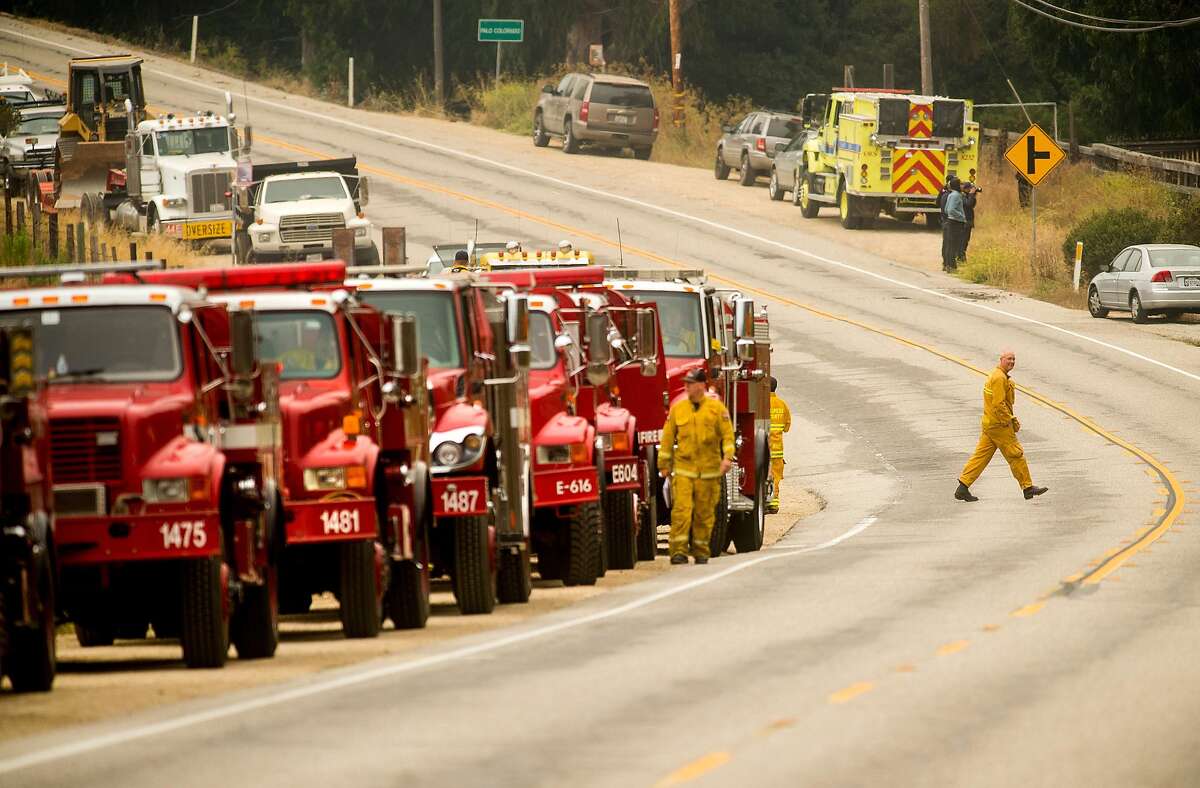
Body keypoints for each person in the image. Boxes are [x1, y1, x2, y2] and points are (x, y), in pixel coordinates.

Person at [658, 368, 735, 564]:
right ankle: (678, 552)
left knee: (704, 513)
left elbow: (727, 436)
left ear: (701, 385)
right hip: (684, 470)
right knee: (682, 511)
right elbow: (667, 439)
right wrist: (664, 465)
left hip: (709, 472)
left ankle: (701, 550)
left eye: (690, 384)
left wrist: (727, 458)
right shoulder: (678, 409)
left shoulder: (717, 409)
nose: (686, 387)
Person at [955, 349, 1048, 502]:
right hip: (1000, 425)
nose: (1011, 362)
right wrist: (1010, 420)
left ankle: (962, 487)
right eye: (1009, 359)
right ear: (1001, 360)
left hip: (989, 424)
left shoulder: (998, 376)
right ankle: (1027, 487)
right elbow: (999, 404)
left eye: (1014, 359)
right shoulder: (999, 378)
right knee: (1016, 455)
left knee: (980, 457)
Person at [767, 376, 791, 514]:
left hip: (763, 448)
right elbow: (787, 427)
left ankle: (767, 500)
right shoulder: (782, 404)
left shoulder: (760, 403)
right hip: (777, 450)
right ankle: (774, 504)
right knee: (775, 476)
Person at [941, 176, 966, 272]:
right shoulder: (956, 195)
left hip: (951, 221)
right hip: (955, 222)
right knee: (954, 245)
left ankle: (948, 264)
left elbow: (946, 209)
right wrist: (961, 216)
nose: (962, 185)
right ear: (956, 185)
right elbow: (951, 210)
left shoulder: (951, 194)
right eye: (960, 184)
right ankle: (952, 266)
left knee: (950, 244)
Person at [960, 181, 979, 262]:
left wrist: (973, 195)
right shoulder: (962, 195)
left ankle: (962, 256)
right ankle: (961, 257)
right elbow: (968, 204)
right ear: (966, 189)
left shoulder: (967, 195)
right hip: (965, 222)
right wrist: (971, 195)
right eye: (970, 189)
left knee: (966, 241)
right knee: (963, 241)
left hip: (968, 222)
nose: (971, 190)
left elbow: (972, 205)